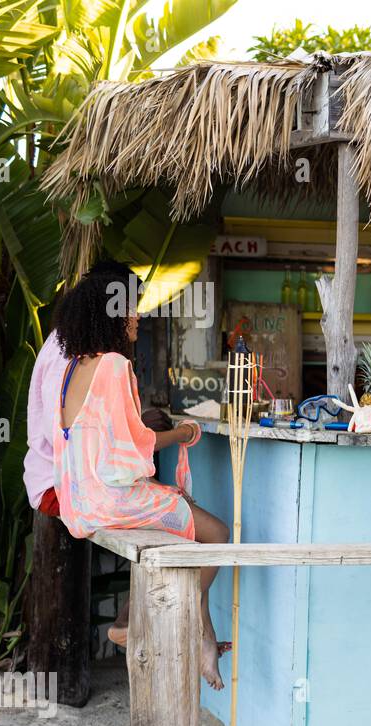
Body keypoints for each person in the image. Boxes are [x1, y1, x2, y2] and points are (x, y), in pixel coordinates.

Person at [51, 260, 231, 690]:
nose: (137, 318)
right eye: (130, 310)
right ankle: (172, 622)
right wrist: (183, 433)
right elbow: (137, 446)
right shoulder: (115, 365)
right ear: (109, 316)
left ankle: (184, 634)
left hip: (82, 502)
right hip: (111, 501)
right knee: (218, 534)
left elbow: (104, 441)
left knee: (177, 508)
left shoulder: (74, 366)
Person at [26, 326, 173, 647]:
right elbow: (84, 443)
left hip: (67, 483)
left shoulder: (70, 346)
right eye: (130, 310)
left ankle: (143, 623)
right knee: (178, 523)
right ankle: (136, 622)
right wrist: (161, 433)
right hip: (65, 489)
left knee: (164, 509)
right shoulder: (99, 360)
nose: (136, 319)